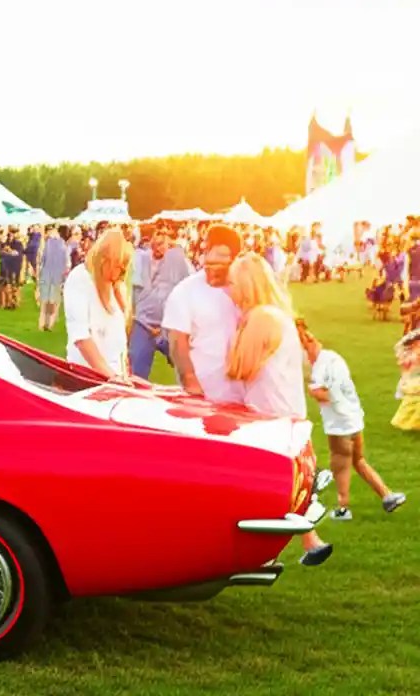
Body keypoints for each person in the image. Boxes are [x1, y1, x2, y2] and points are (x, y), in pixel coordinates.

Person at [224, 254, 332, 566]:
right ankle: (310, 542)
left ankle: (268, 551)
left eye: (232, 283)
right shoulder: (277, 316)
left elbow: (239, 369)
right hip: (286, 410)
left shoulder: (260, 318)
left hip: (269, 414)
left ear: (246, 285)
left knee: (269, 487)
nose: (229, 290)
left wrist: (231, 341)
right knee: (286, 484)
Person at [295, 319, 407, 519]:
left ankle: (342, 509)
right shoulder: (333, 358)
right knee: (359, 460)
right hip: (355, 419)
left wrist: (311, 389)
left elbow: (324, 394)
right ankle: (387, 495)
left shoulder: (320, 367)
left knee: (340, 466)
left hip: (339, 425)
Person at [163, 224, 244, 401]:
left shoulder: (245, 290)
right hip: (203, 393)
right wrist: (190, 380)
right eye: (207, 253)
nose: (209, 263)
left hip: (244, 394)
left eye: (221, 259)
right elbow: (177, 341)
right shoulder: (186, 291)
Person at [62, 227, 132, 380]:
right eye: (118, 267)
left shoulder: (117, 287)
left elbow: (119, 341)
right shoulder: (80, 279)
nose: (120, 274)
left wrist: (123, 375)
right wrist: (110, 376)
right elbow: (81, 337)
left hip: (116, 377)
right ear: (105, 259)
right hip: (87, 377)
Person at [130, 229, 193, 379]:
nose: (157, 248)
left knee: (188, 369)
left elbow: (190, 291)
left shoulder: (181, 263)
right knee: (137, 375)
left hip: (169, 328)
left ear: (168, 242)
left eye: (160, 244)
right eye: (153, 244)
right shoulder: (140, 260)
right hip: (143, 324)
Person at [36, 225, 70, 330]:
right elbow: (67, 264)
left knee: (44, 301)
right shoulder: (64, 247)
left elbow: (42, 259)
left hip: (46, 273)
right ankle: (50, 323)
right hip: (57, 275)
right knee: (53, 301)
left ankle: (42, 323)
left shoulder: (48, 243)